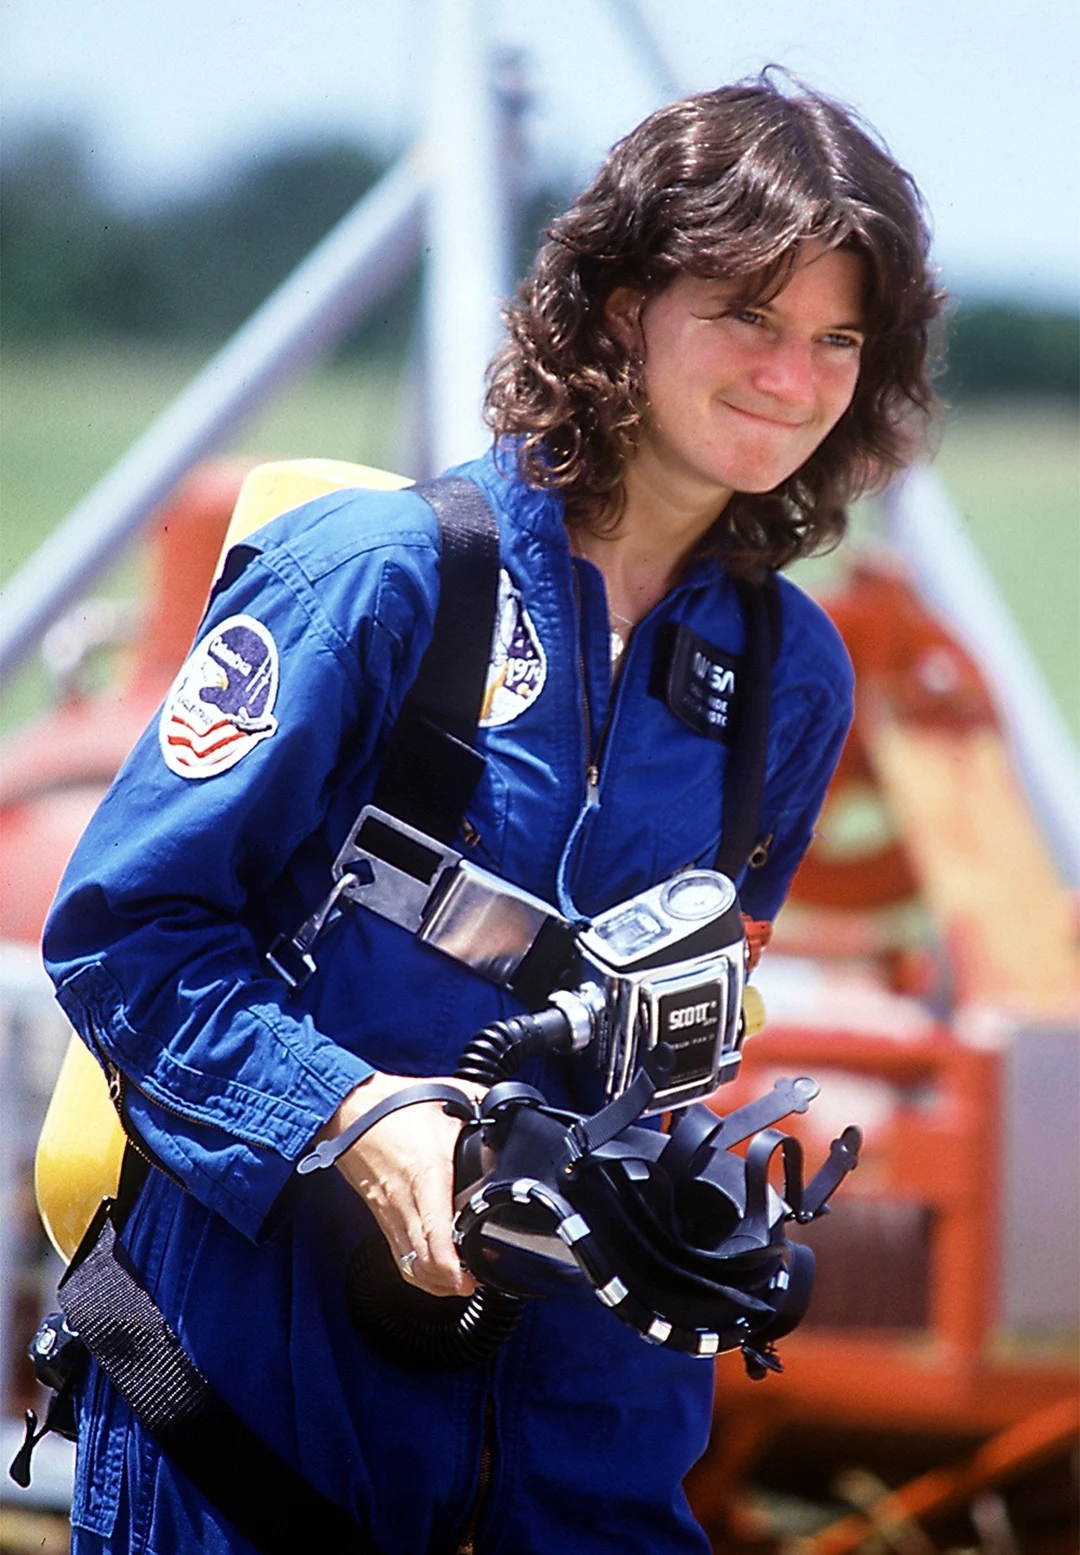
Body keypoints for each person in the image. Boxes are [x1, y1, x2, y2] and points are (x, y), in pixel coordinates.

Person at [43, 76, 941, 1555]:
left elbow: (690, 1033)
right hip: (260, 1392)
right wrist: (357, 1120)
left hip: (592, 1430)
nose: (797, 378)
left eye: (839, 338)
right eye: (747, 316)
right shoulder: (379, 578)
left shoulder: (792, 678)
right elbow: (125, 937)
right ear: (613, 310)